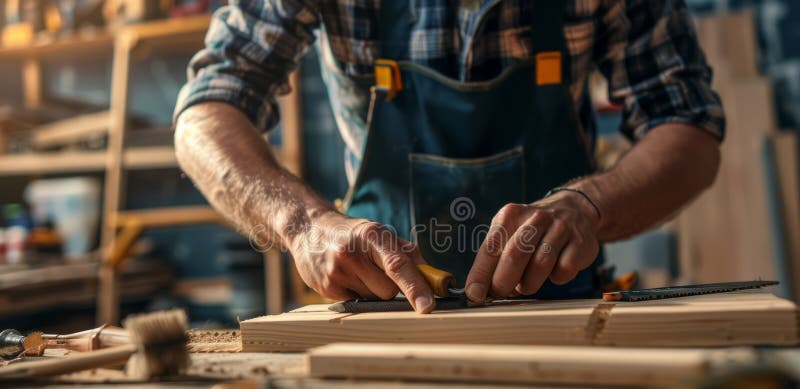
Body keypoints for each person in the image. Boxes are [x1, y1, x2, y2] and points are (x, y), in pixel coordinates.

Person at [174, 0, 724, 314]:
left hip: (564, 307)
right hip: (385, 312)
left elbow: (689, 126)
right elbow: (206, 110)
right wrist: (303, 225)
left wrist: (588, 206)